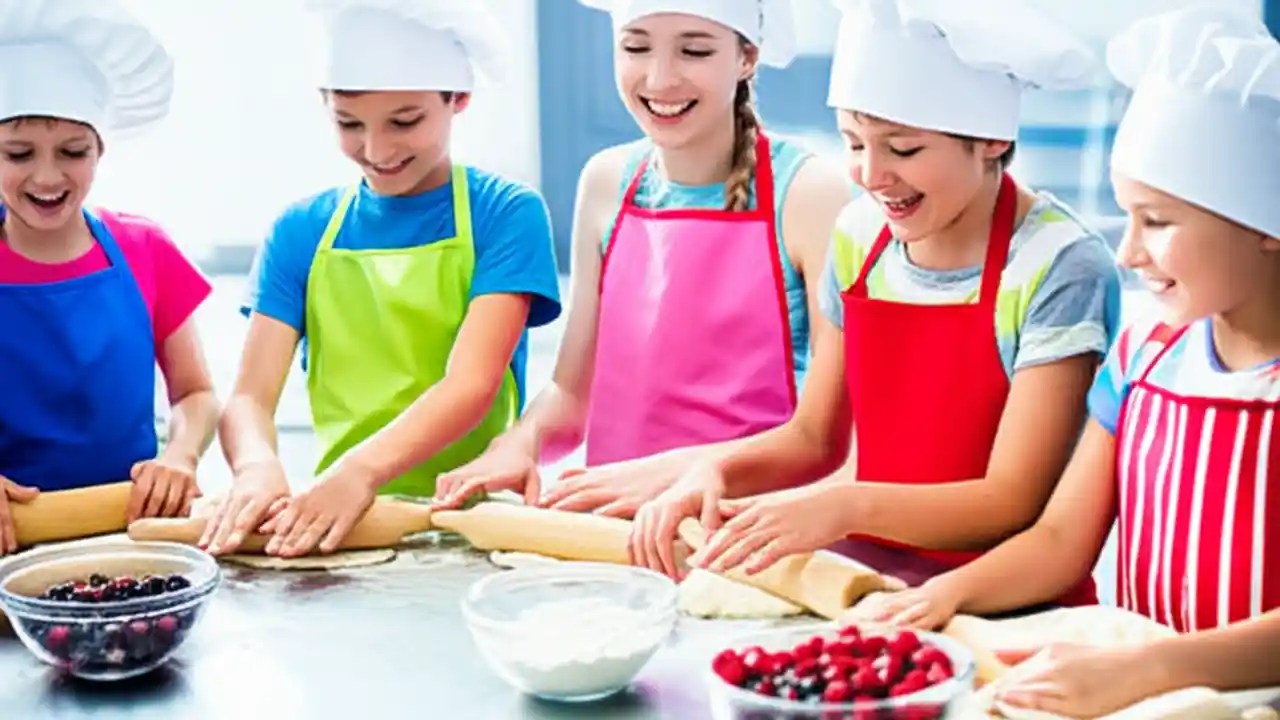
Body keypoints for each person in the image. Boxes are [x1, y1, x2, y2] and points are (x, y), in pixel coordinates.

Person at [843, 5, 1280, 716]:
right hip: (1137, 692)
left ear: (1267, 224)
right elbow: (1057, 541)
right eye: (1128, 215)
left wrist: (1152, 669)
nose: (1130, 251)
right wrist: (940, 598)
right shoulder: (1147, 356)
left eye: (1159, 221)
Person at [638, 0, 1123, 593]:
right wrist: (710, 469)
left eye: (904, 149)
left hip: (1005, 602)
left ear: (992, 139)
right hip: (861, 585)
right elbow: (813, 438)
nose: (870, 175)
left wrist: (842, 507)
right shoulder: (859, 236)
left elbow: (1012, 500)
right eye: (854, 143)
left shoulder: (1059, 264)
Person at [433, 0, 853, 515]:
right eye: (636, 47)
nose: (660, 78)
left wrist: (666, 476)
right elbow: (571, 395)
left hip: (743, 534)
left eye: (694, 50)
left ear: (747, 58)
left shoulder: (809, 193)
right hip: (614, 532)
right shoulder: (607, 181)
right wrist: (518, 445)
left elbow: (823, 444)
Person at [202, 0, 561, 558]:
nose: (377, 150)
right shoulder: (301, 230)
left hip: (475, 519)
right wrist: (256, 467)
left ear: (457, 99)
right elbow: (249, 397)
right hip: (341, 519)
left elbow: (470, 386)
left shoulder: (506, 212)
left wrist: (360, 473)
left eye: (405, 121)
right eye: (349, 124)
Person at [0, 0, 219, 555]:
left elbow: (195, 392)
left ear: (101, 148)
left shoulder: (146, 248)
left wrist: (179, 456)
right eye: (18, 154)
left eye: (72, 151)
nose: (47, 176)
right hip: (13, 539)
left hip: (133, 533)